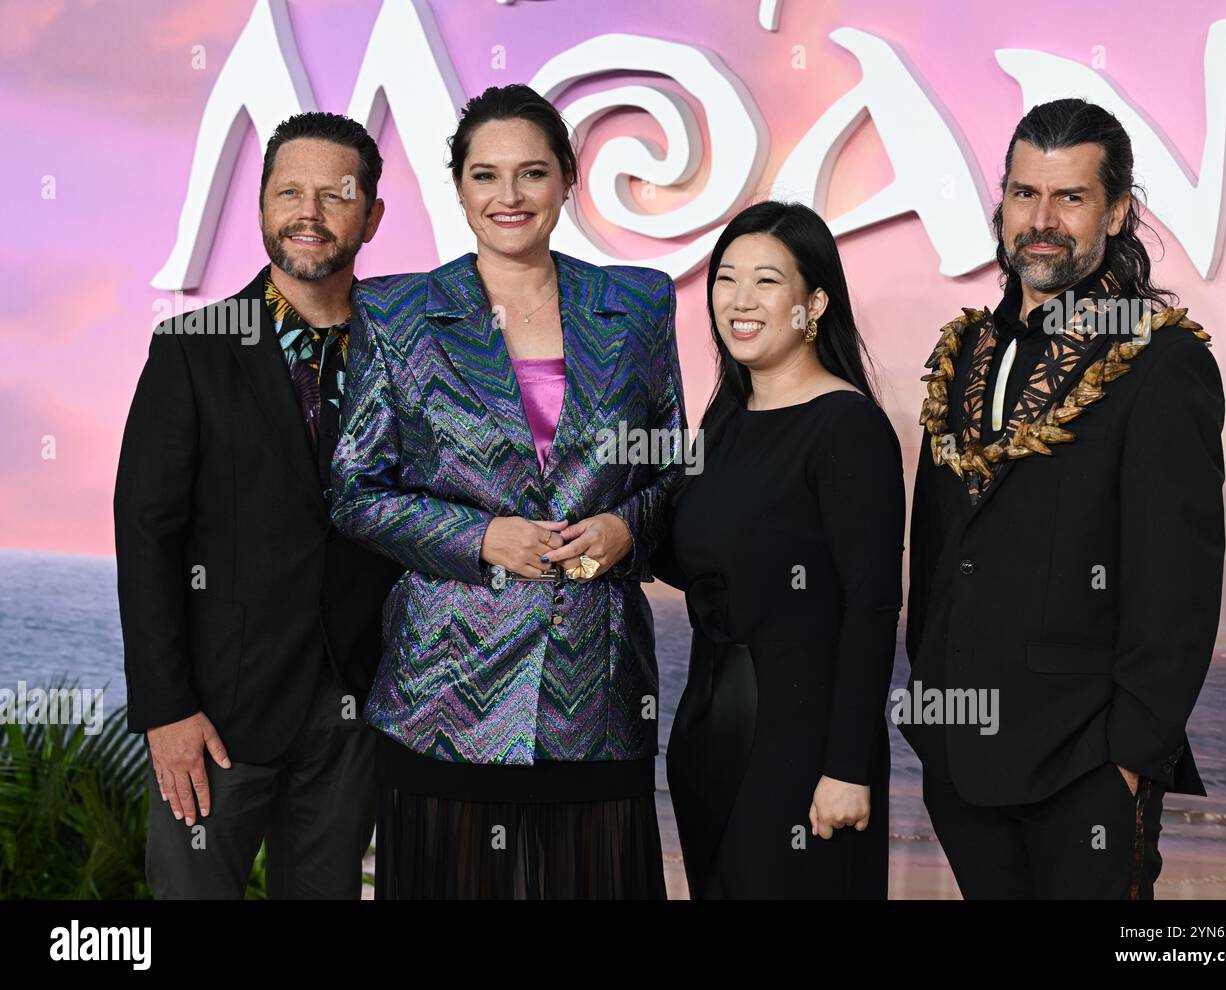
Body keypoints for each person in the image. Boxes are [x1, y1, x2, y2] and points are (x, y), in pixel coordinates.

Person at [329, 84, 686, 899]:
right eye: (485, 176)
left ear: (567, 179)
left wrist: (628, 529)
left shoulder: (635, 304)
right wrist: (483, 539)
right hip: (443, 695)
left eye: (531, 173)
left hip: (594, 692)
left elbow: (672, 465)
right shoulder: (396, 313)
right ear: (458, 189)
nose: (509, 196)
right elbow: (354, 490)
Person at [904, 98, 1225, 899]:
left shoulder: (1160, 359)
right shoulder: (963, 349)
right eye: (1023, 194)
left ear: (1116, 212)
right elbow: (938, 547)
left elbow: (1178, 585)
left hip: (1086, 765)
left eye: (1070, 198)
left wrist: (1126, 762)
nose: (1040, 221)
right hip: (961, 755)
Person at [115, 112, 402, 898]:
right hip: (214, 719)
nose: (308, 213)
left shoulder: (408, 352)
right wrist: (165, 708)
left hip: (353, 711)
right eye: (288, 192)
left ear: (371, 215)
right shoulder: (192, 348)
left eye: (335, 194)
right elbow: (147, 537)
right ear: (263, 207)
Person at [653, 200, 904, 898]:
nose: (738, 299)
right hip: (706, 739)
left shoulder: (848, 428)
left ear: (814, 302)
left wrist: (847, 767)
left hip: (802, 749)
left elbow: (873, 606)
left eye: (766, 281)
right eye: (725, 278)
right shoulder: (727, 423)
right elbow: (694, 559)